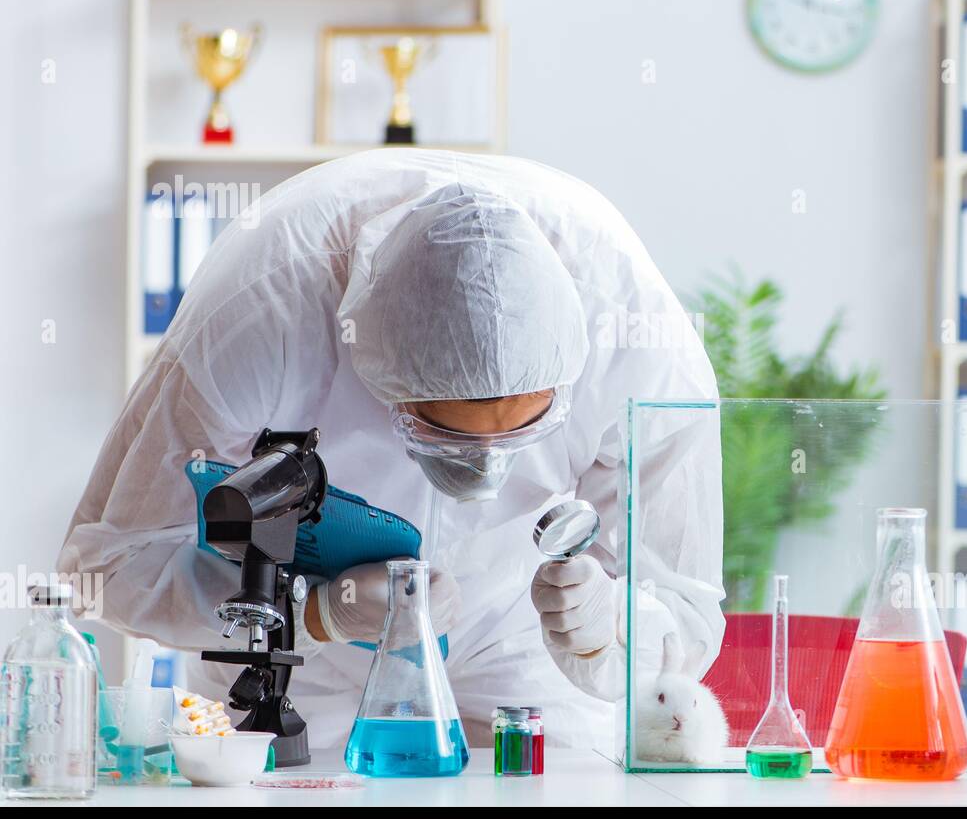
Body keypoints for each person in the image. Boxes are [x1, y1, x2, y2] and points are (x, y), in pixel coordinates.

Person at [59, 150, 724, 750]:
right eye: (446, 434)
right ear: (381, 378)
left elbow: (685, 613)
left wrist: (609, 627)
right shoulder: (260, 312)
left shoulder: (638, 338)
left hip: (520, 629)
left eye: (521, 432)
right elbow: (109, 561)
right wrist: (314, 614)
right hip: (300, 663)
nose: (486, 470)